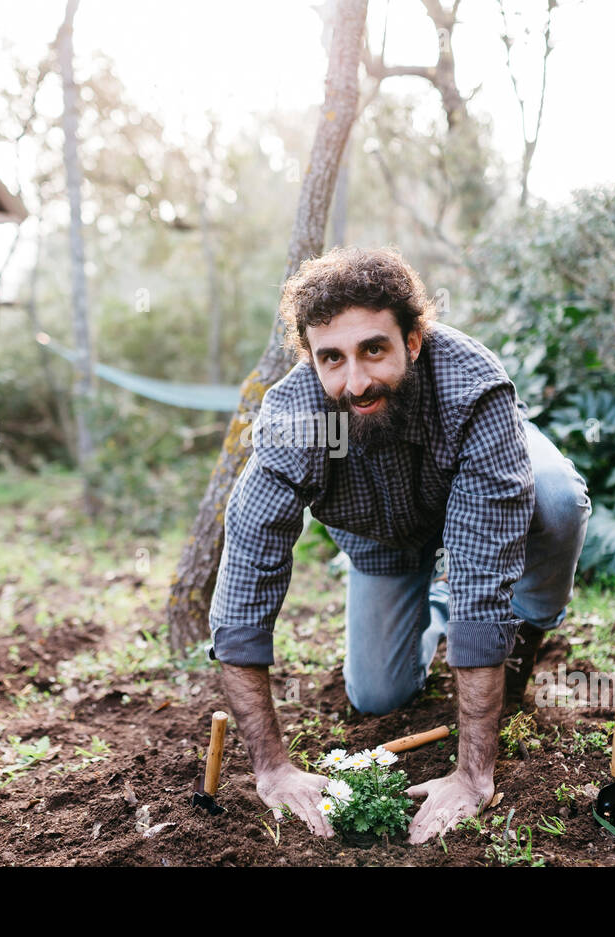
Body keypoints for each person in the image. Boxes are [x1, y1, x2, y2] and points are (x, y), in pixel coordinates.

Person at [208, 246, 591, 844]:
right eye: (331, 358)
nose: (355, 382)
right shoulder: (296, 418)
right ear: (311, 359)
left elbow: (484, 576)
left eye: (373, 350)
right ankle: (437, 606)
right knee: (377, 694)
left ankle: (527, 634)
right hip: (380, 537)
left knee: (557, 499)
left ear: (412, 340)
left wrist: (471, 776)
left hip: (482, 481)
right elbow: (243, 589)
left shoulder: (472, 389)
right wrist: (273, 768)